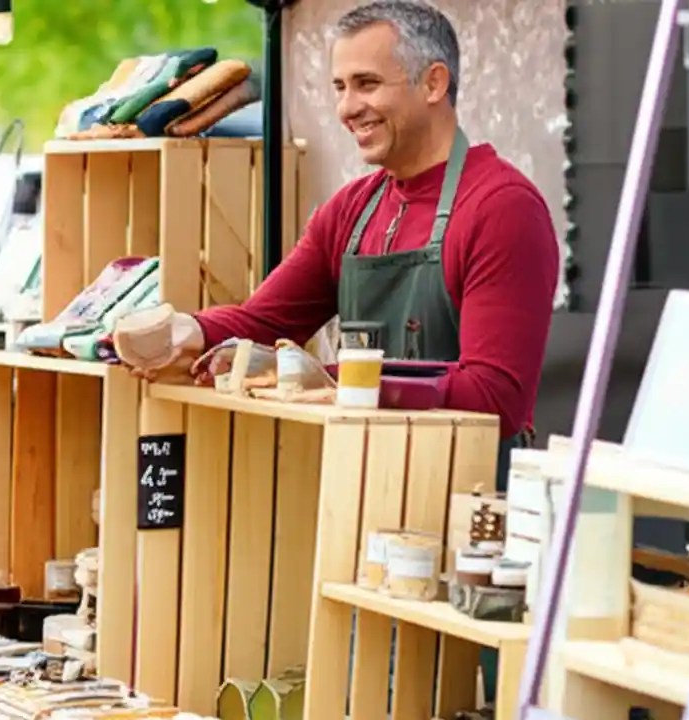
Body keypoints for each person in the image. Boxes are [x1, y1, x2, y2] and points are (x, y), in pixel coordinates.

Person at [116, 0, 560, 483]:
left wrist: (332, 378)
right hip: (363, 484)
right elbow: (263, 320)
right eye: (339, 88)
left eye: (367, 84)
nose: (347, 109)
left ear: (434, 83)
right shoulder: (351, 209)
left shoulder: (502, 207)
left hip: (473, 498)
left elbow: (497, 397)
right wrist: (188, 332)